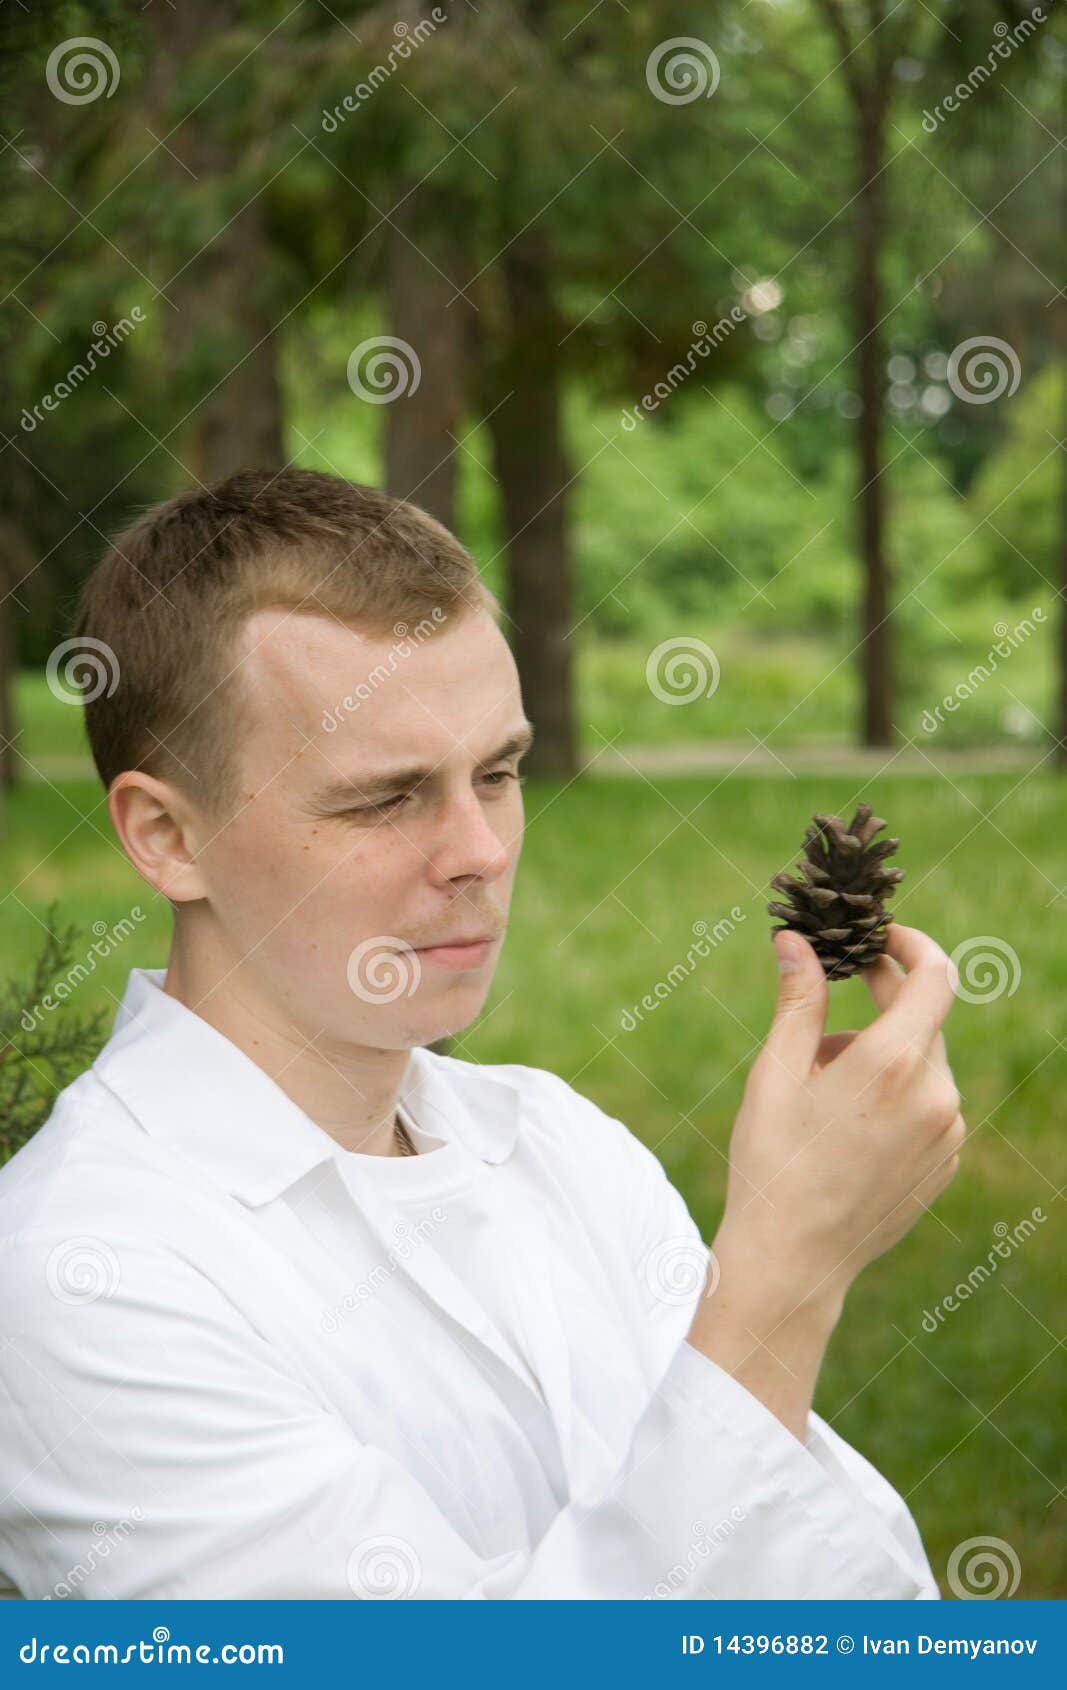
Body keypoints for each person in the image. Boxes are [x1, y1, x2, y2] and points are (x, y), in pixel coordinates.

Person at [0, 469, 964, 1600]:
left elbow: (863, 1597)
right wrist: (780, 1272)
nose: (480, 850)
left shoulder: (557, 1141)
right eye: (384, 797)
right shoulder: (79, 1277)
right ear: (167, 835)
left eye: (496, 774)